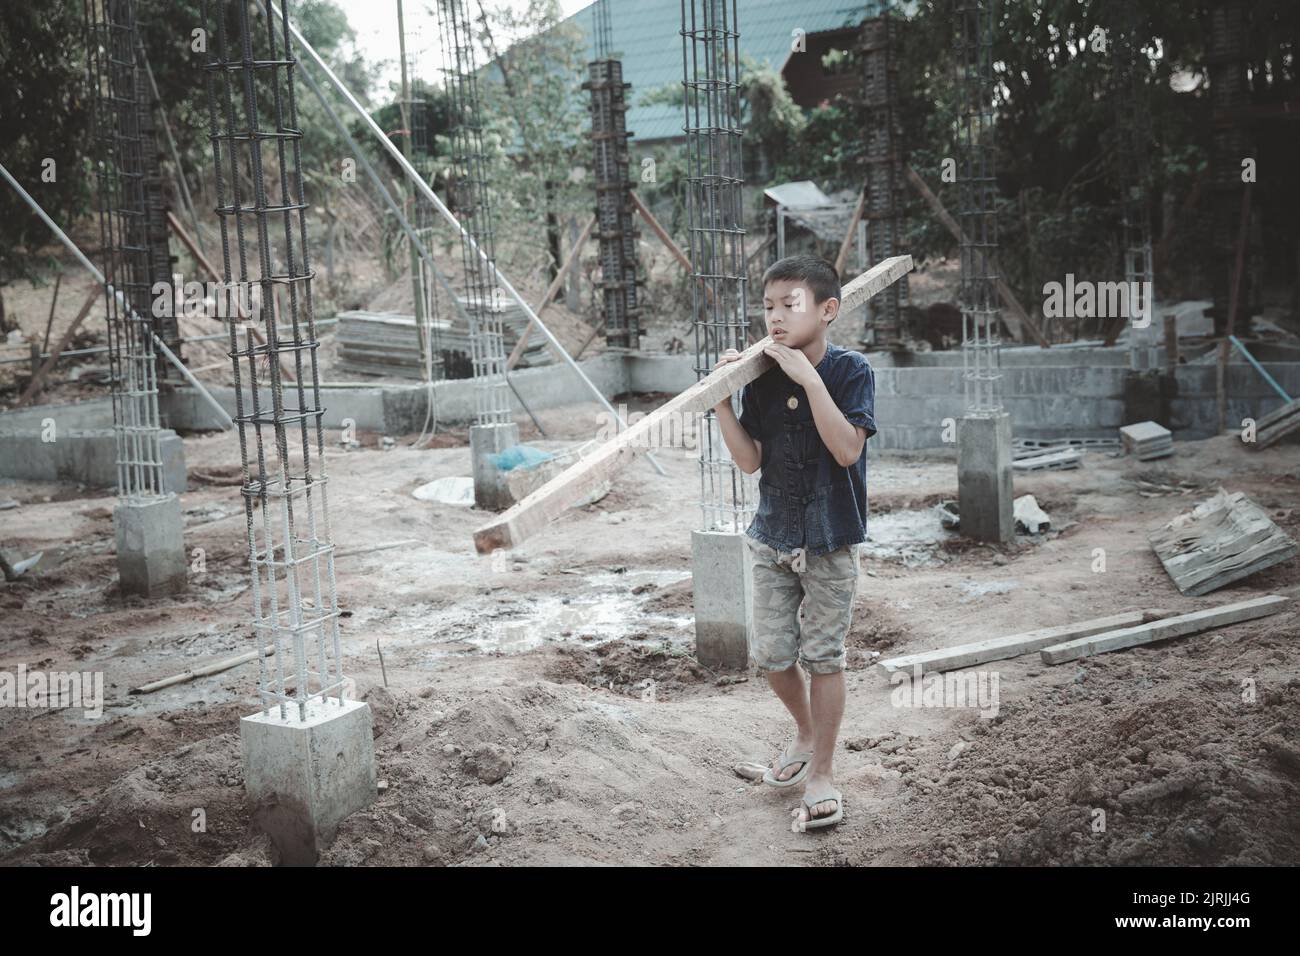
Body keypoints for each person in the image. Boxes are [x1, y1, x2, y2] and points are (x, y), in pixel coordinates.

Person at [712, 255, 877, 832]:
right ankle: (805, 733)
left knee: (824, 656)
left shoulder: (851, 371)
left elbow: (847, 451)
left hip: (830, 538)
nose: (776, 318)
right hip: (773, 536)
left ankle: (824, 772)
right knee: (772, 656)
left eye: (791, 305)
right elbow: (749, 461)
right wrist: (721, 399)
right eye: (768, 307)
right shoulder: (760, 377)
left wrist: (809, 380)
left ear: (828, 310)